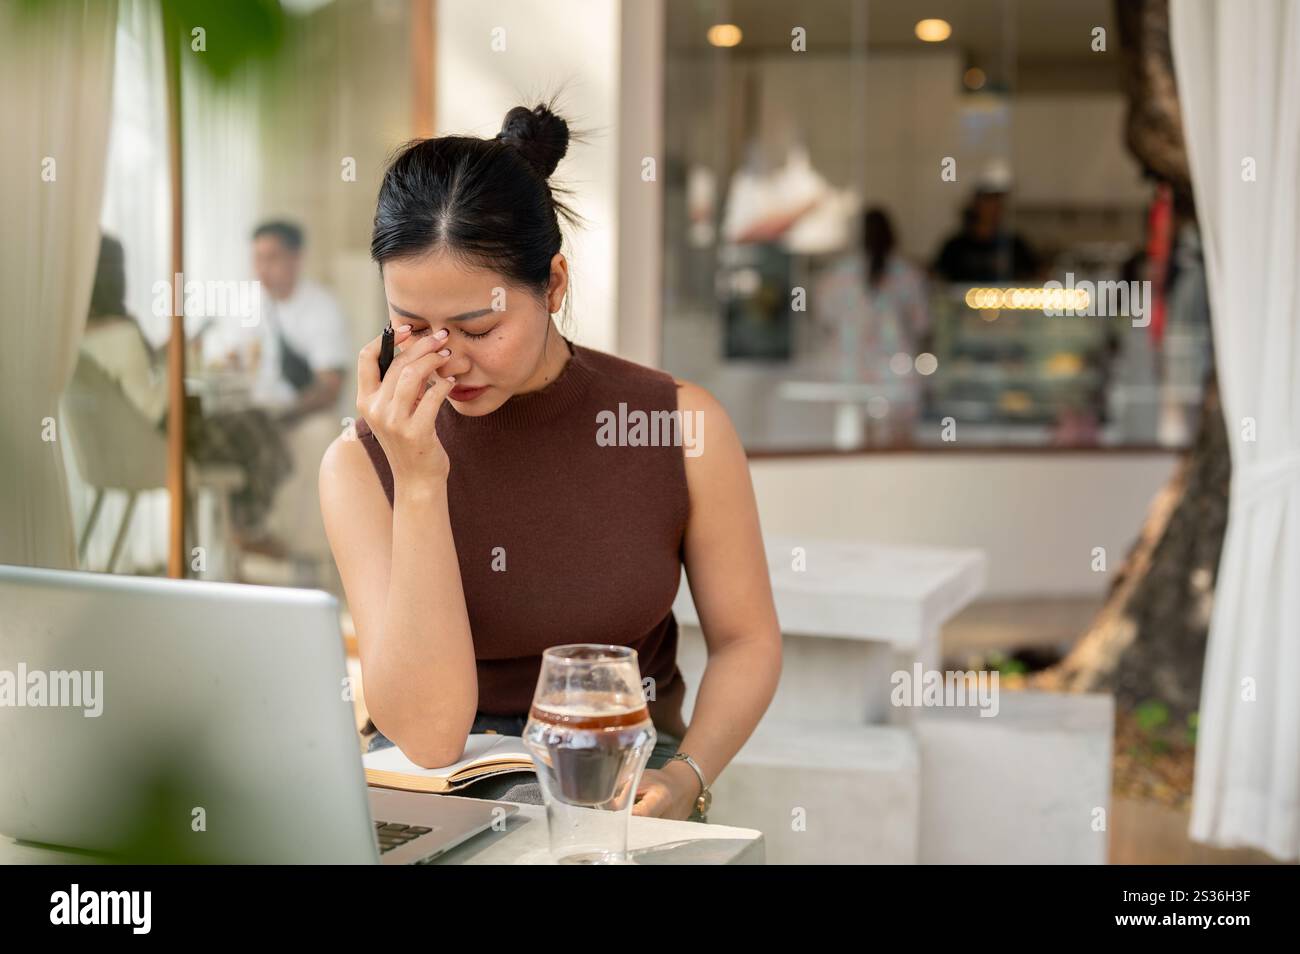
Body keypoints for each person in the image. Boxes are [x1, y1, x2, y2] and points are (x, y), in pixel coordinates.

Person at [318, 100, 783, 823]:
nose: (446, 359)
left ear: (554, 286)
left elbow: (747, 640)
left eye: (479, 326)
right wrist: (418, 481)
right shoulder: (361, 463)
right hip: (430, 786)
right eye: (411, 327)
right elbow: (431, 735)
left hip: (622, 774)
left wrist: (691, 777)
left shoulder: (676, 425)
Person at [79, 234, 291, 536]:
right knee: (259, 424)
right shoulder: (122, 332)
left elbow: (129, 383)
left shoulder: (75, 337)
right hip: (165, 442)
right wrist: (179, 362)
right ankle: (249, 527)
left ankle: (244, 527)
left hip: (110, 453)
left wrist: (168, 354)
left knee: (254, 426)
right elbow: (153, 406)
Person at [813, 207, 931, 444]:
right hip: (895, 377)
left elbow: (824, 320)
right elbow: (922, 325)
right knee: (896, 453)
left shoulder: (836, 275)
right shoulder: (909, 275)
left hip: (849, 375)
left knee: (855, 450)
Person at [247, 221, 350, 426]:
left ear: (296, 258)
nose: (262, 269)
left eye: (272, 258)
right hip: (260, 407)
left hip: (296, 414)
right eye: (258, 258)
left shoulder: (321, 308)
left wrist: (281, 417)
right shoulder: (256, 301)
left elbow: (330, 388)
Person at [932, 186, 1041, 283]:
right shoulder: (955, 245)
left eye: (998, 204)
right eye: (989, 202)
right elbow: (938, 276)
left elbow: (1035, 274)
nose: (994, 209)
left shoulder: (1014, 244)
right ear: (976, 206)